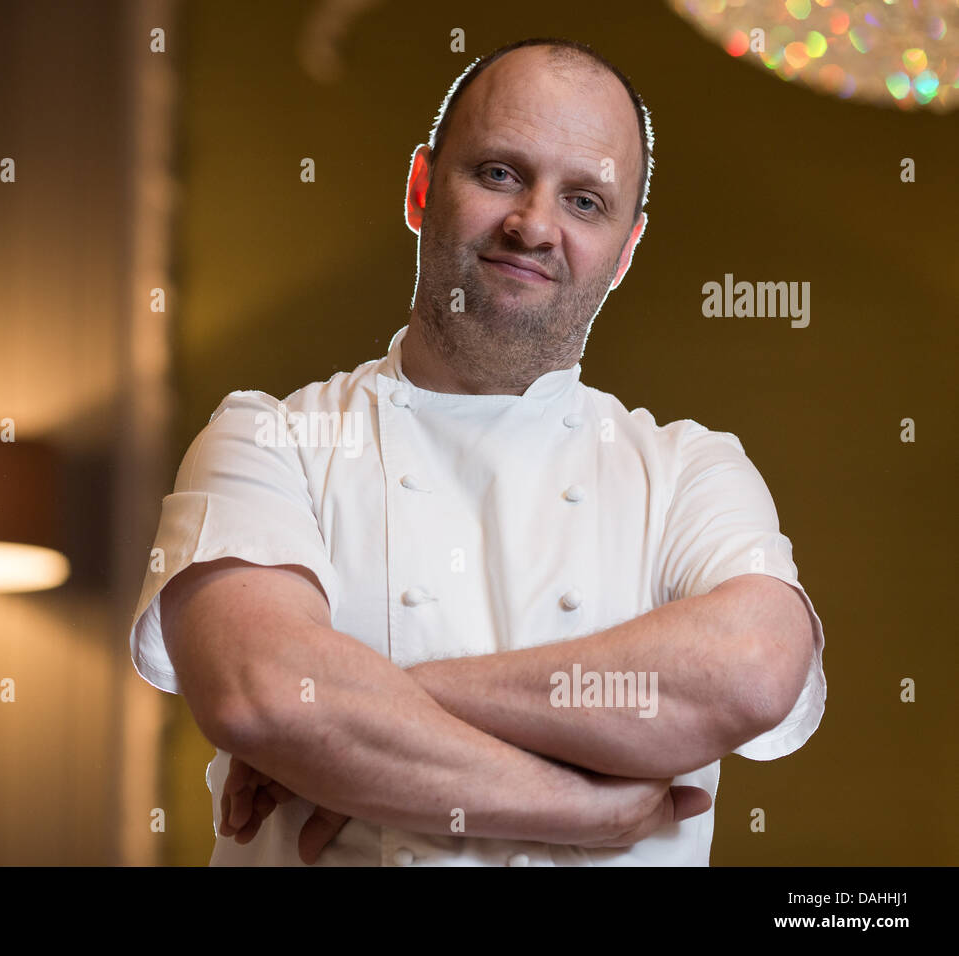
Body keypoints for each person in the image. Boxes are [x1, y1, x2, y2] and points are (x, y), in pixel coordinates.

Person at [128, 37, 826, 866]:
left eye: (585, 202)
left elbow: (753, 669)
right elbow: (261, 696)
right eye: (498, 173)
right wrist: (588, 809)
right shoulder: (269, 439)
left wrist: (367, 704)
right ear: (421, 188)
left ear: (626, 252)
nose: (534, 226)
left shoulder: (689, 473)